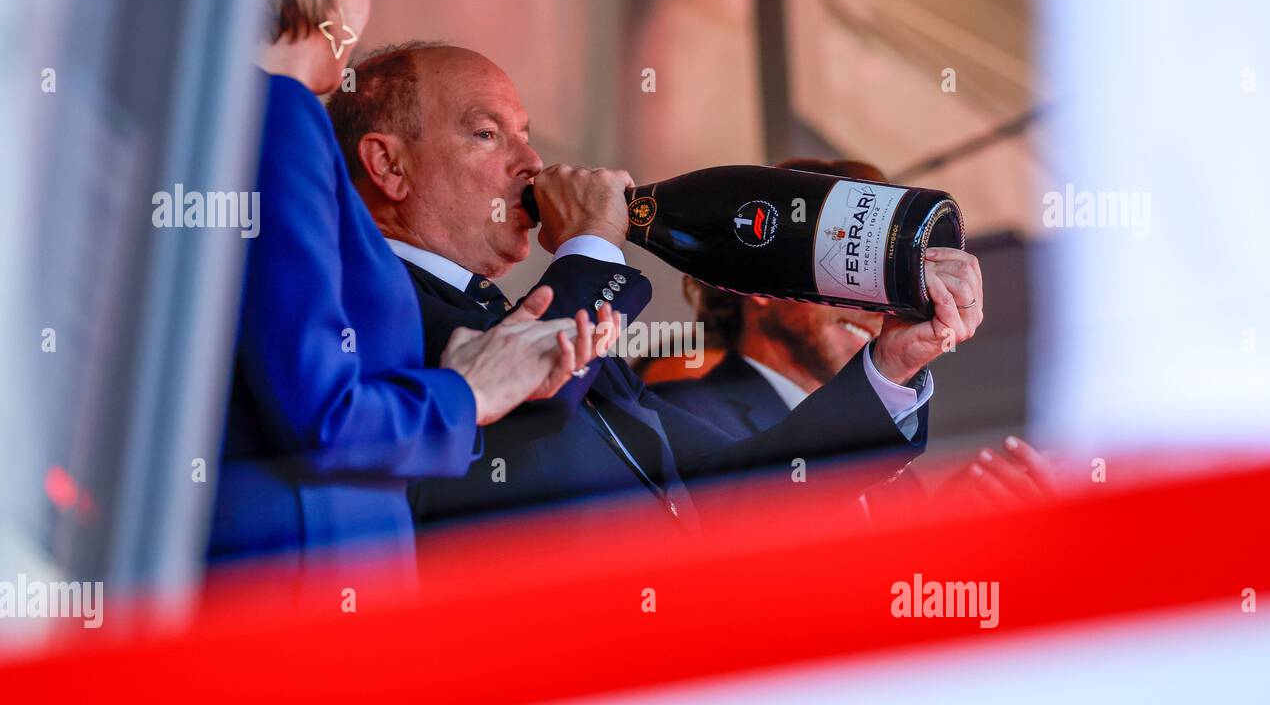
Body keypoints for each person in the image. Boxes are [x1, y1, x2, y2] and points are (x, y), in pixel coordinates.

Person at [326, 44, 985, 528]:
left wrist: (892, 364)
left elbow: (740, 490)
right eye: (487, 134)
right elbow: (527, 397)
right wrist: (591, 239)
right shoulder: (368, 302)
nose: (531, 162)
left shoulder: (519, 313)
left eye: (526, 136)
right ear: (389, 164)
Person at [207, 0, 606, 568]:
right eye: (486, 134)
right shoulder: (279, 115)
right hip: (297, 578)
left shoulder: (231, 115)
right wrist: (469, 391)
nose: (533, 161)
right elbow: (326, 417)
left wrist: (463, 379)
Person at [658, 158, 1054, 506]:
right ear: (758, 283)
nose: (874, 307)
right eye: (843, 272)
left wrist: (957, 524)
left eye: (878, 280)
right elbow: (744, 528)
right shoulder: (678, 417)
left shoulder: (886, 455)